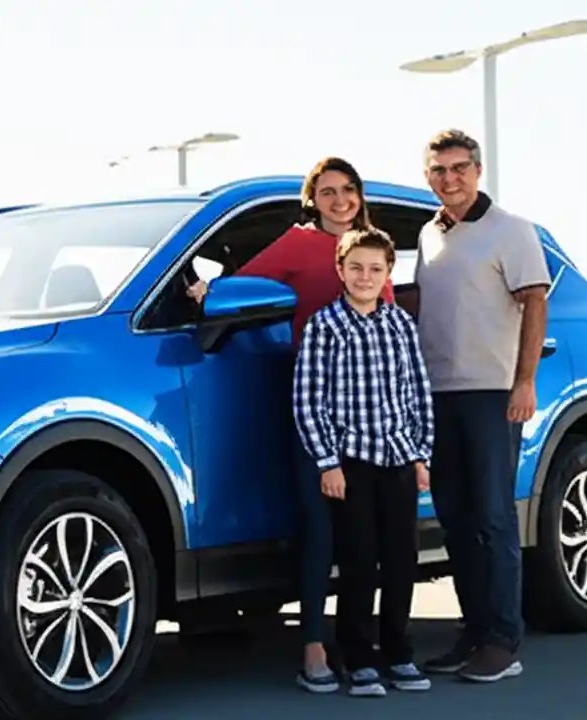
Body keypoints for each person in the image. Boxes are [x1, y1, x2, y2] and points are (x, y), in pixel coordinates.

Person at [188, 157, 395, 693]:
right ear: (313, 200)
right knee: (320, 531)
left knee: (362, 540)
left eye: (348, 190)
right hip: (317, 411)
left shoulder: (373, 249)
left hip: (370, 421)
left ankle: (360, 650)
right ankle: (312, 647)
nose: (340, 200)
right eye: (328, 192)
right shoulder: (298, 244)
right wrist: (205, 293)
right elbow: (242, 285)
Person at [412, 129, 551, 683]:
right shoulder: (428, 235)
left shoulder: (512, 231)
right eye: (439, 171)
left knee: (493, 518)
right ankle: (473, 632)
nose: (450, 178)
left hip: (492, 393)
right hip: (437, 396)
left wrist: (524, 382)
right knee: (455, 518)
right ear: (429, 177)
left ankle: (503, 641)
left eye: (459, 168)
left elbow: (534, 303)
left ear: (478, 169)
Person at [292, 227, 435, 698]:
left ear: (388, 273)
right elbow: (309, 401)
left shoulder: (400, 326)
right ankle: (357, 656)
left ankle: (398, 651)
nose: (365, 276)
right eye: (356, 267)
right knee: (358, 560)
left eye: (376, 269)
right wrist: (327, 462)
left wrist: (420, 454)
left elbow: (418, 395)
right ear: (340, 270)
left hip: (397, 458)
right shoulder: (324, 326)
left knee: (401, 560)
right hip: (351, 463)